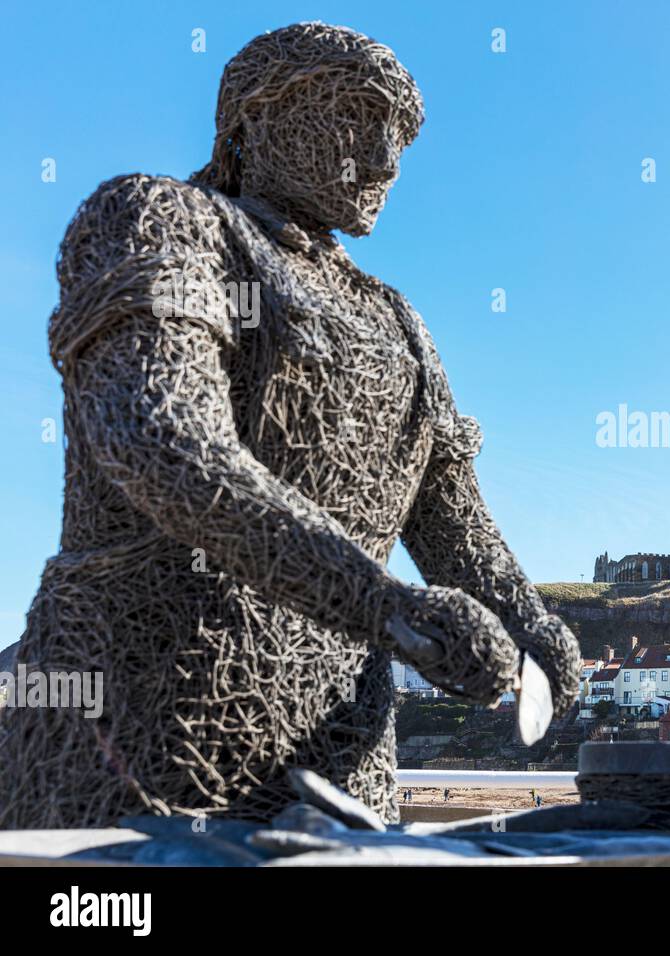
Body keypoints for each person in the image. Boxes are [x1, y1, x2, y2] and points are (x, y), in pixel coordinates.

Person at [0, 23, 580, 829]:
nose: (382, 159)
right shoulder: (161, 221)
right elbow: (166, 445)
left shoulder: (397, 321)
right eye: (354, 115)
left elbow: (453, 523)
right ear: (254, 117)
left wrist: (531, 621)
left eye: (401, 136)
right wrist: (391, 608)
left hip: (341, 765)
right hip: (140, 741)